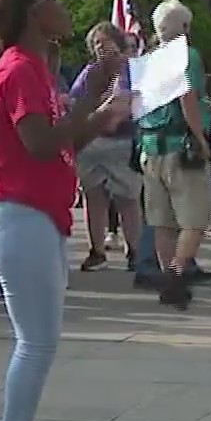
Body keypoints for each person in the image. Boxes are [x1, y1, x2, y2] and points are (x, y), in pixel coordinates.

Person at [0, 0, 129, 421]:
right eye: (51, 0)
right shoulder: (19, 69)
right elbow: (40, 142)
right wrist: (104, 114)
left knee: (36, 342)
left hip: (31, 217)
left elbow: (60, 123)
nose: (62, 7)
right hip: (18, 216)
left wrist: (99, 89)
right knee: (35, 343)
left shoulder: (33, 68)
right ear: (30, 15)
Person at [136, 0, 211, 310]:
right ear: (184, 27)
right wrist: (200, 137)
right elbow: (188, 98)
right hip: (181, 146)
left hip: (150, 146)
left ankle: (169, 277)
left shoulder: (148, 58)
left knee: (163, 222)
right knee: (195, 220)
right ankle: (177, 273)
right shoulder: (186, 55)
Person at [70, 23, 144, 274]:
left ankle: (135, 250)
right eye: (96, 43)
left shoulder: (130, 69)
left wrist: (109, 107)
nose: (101, 47)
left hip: (122, 141)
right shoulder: (90, 71)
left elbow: (131, 100)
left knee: (128, 198)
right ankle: (97, 251)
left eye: (105, 41)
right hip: (93, 144)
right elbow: (76, 100)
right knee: (94, 197)